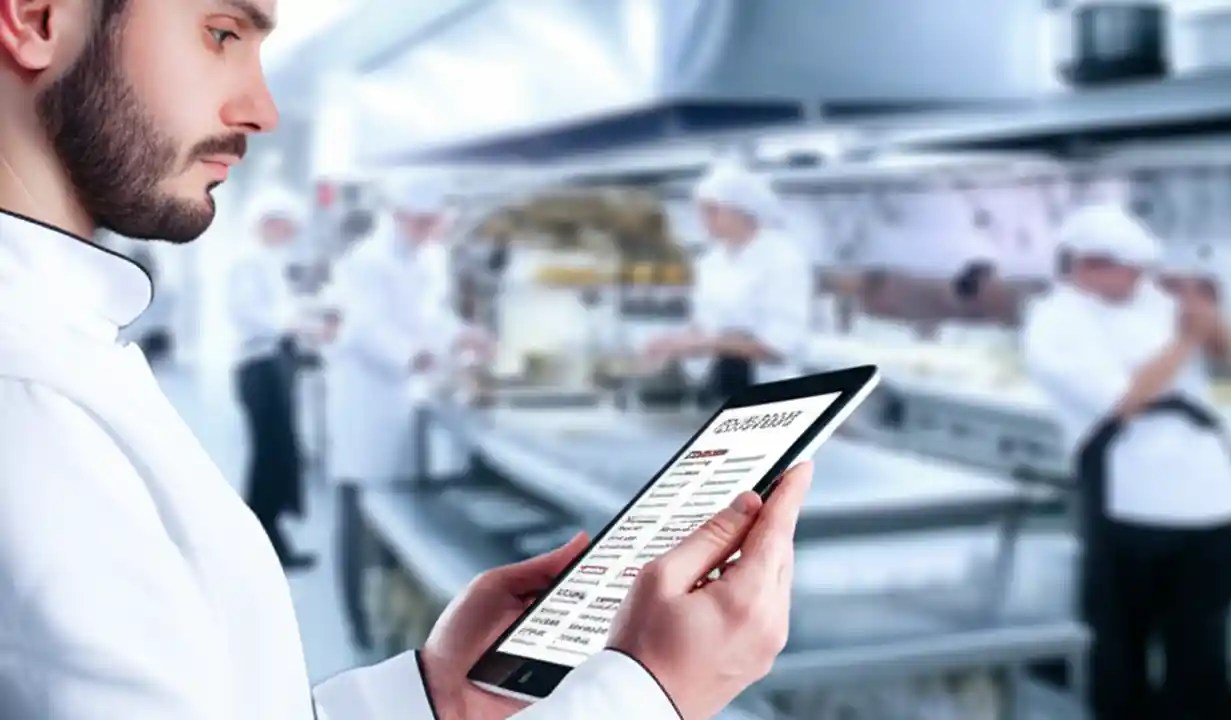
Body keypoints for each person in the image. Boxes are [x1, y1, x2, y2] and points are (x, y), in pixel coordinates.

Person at [0, 2, 813, 718]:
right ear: (37, 19)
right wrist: (649, 692)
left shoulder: (63, 352)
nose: (262, 108)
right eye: (220, 32)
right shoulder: (30, 407)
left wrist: (431, 697)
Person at [1022, 203, 1231, 720]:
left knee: (1203, 652)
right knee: (1121, 649)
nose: (1140, 280)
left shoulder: (1149, 300)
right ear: (1086, 265)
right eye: (1129, 269)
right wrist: (1186, 338)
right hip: (1131, 506)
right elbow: (1121, 401)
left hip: (1209, 501)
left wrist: (1209, 315)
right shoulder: (1056, 321)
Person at [326, 173, 490, 650]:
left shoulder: (430, 258)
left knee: (401, 512)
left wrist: (461, 336)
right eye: (420, 222)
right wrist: (417, 356)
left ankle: (395, 608)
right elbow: (364, 329)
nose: (427, 231)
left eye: (433, 223)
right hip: (367, 403)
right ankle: (357, 619)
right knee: (359, 510)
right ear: (398, 217)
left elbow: (431, 315)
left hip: (409, 401)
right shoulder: (365, 262)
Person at [647, 163, 812, 407]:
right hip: (714, 386)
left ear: (741, 211)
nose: (704, 220)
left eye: (712, 211)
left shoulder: (782, 259)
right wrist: (672, 343)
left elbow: (779, 345)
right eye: (702, 211)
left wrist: (705, 343)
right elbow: (704, 322)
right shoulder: (711, 260)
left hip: (767, 392)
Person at [228, 187, 314, 570]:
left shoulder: (269, 262)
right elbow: (248, 314)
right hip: (259, 368)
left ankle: (270, 543)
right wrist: (289, 325)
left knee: (278, 456)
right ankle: (260, 547)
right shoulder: (248, 261)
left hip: (274, 365)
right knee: (268, 457)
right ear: (269, 223)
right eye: (285, 226)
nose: (289, 233)